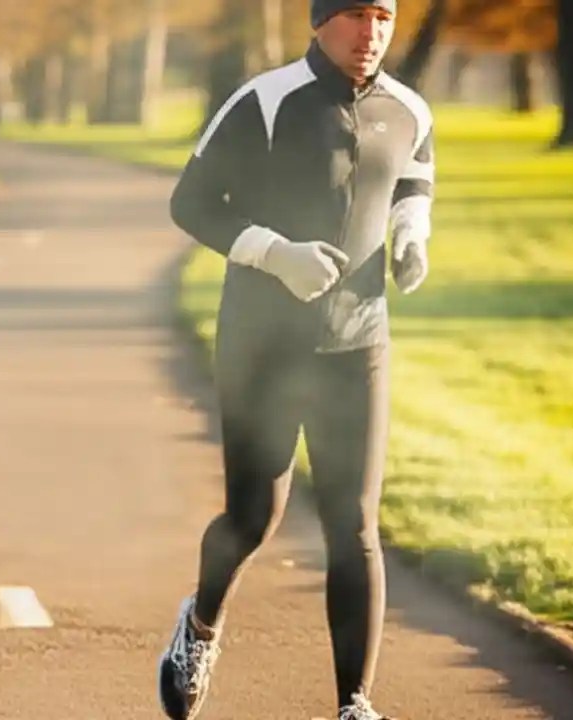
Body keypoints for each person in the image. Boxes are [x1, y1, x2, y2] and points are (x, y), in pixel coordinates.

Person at [157, 0, 433, 718]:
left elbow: (412, 179)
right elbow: (191, 203)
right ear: (318, 20)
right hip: (264, 346)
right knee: (253, 516)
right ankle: (200, 627)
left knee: (356, 526)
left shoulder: (409, 109)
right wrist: (275, 254)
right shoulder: (263, 102)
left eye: (384, 16)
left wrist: (411, 237)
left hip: (359, 343)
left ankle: (354, 704)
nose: (371, 33)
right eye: (355, 15)